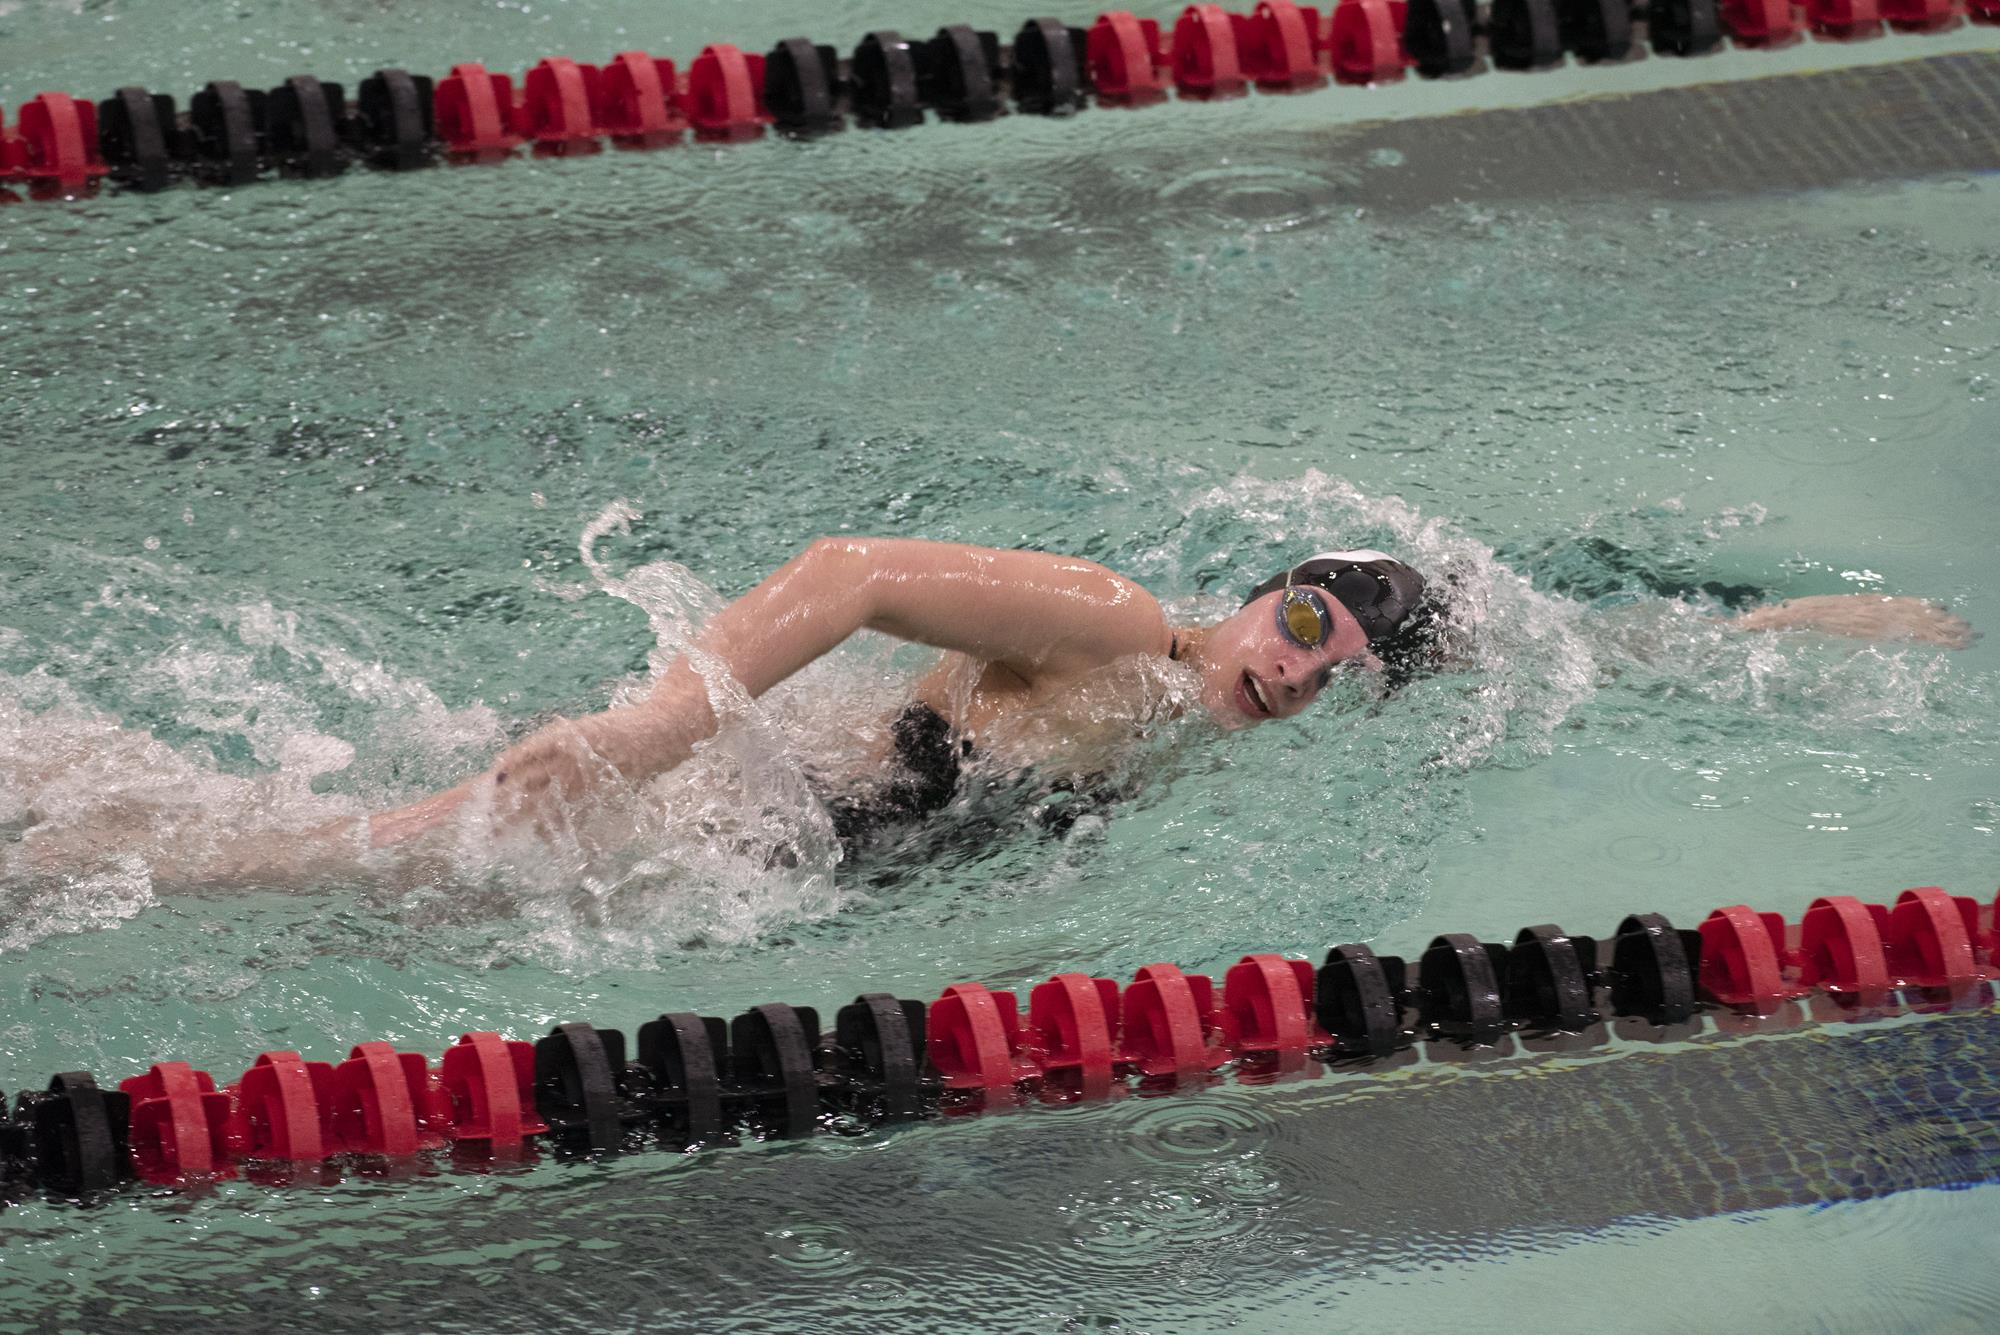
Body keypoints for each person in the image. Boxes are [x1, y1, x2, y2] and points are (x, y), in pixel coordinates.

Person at [362, 536, 1972, 854]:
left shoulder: (1191, 728)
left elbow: (1575, 648)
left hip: (780, 872)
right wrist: (657, 729)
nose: (1294, 666)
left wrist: (1820, 624)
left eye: (1335, 675)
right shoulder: (1120, 629)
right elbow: (848, 572)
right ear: (1263, 587)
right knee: (328, 866)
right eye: (1300, 620)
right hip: (677, 821)